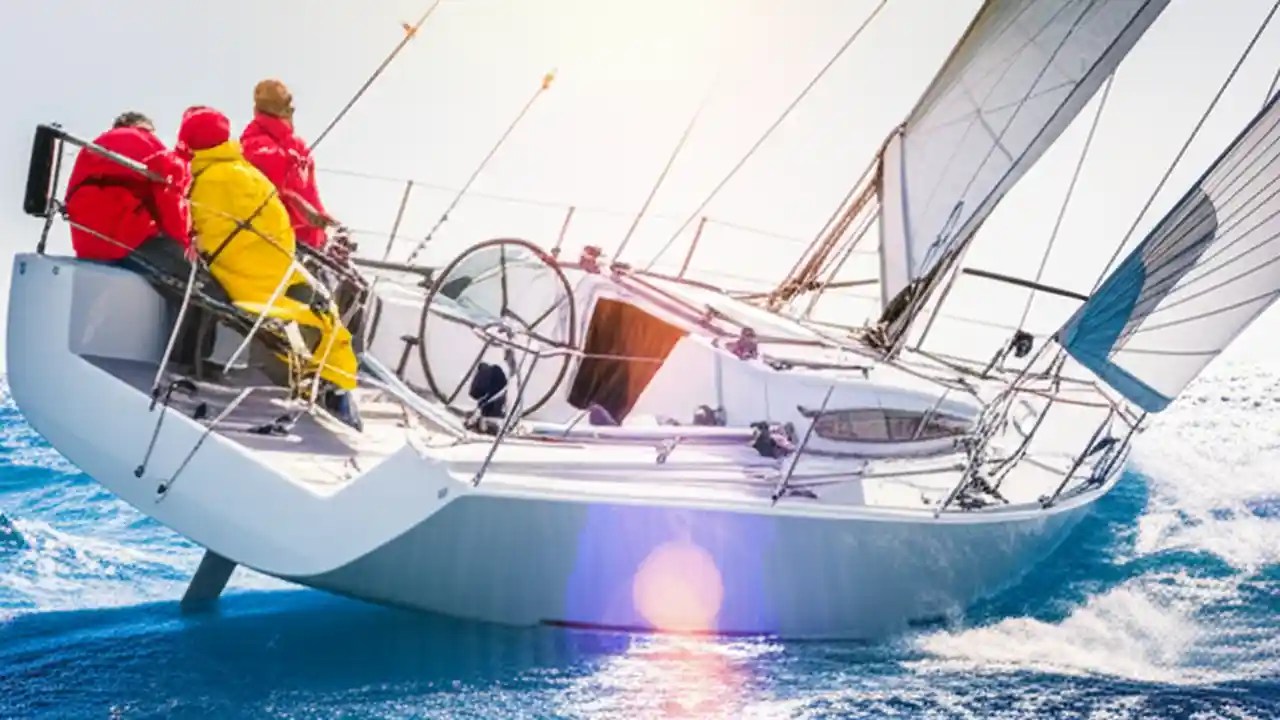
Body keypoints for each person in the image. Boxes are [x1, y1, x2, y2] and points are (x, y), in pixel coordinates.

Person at [178, 105, 363, 431]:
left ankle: (329, 386)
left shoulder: (201, 181)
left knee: (296, 314)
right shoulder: (250, 174)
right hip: (279, 268)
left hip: (246, 278)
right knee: (320, 308)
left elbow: (192, 232)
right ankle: (336, 387)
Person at [64, 111, 224, 369]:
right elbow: (170, 189)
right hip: (124, 234)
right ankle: (188, 366)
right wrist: (182, 243)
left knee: (180, 282)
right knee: (203, 287)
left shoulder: (94, 151)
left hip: (91, 242)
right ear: (142, 128)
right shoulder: (140, 141)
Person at [240, 78, 375, 351]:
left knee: (356, 287)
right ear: (267, 107)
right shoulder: (255, 145)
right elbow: (276, 190)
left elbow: (310, 194)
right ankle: (301, 360)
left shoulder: (298, 147)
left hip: (311, 243)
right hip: (281, 244)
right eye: (286, 102)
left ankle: (341, 358)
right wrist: (306, 211)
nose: (292, 107)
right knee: (311, 302)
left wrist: (330, 226)